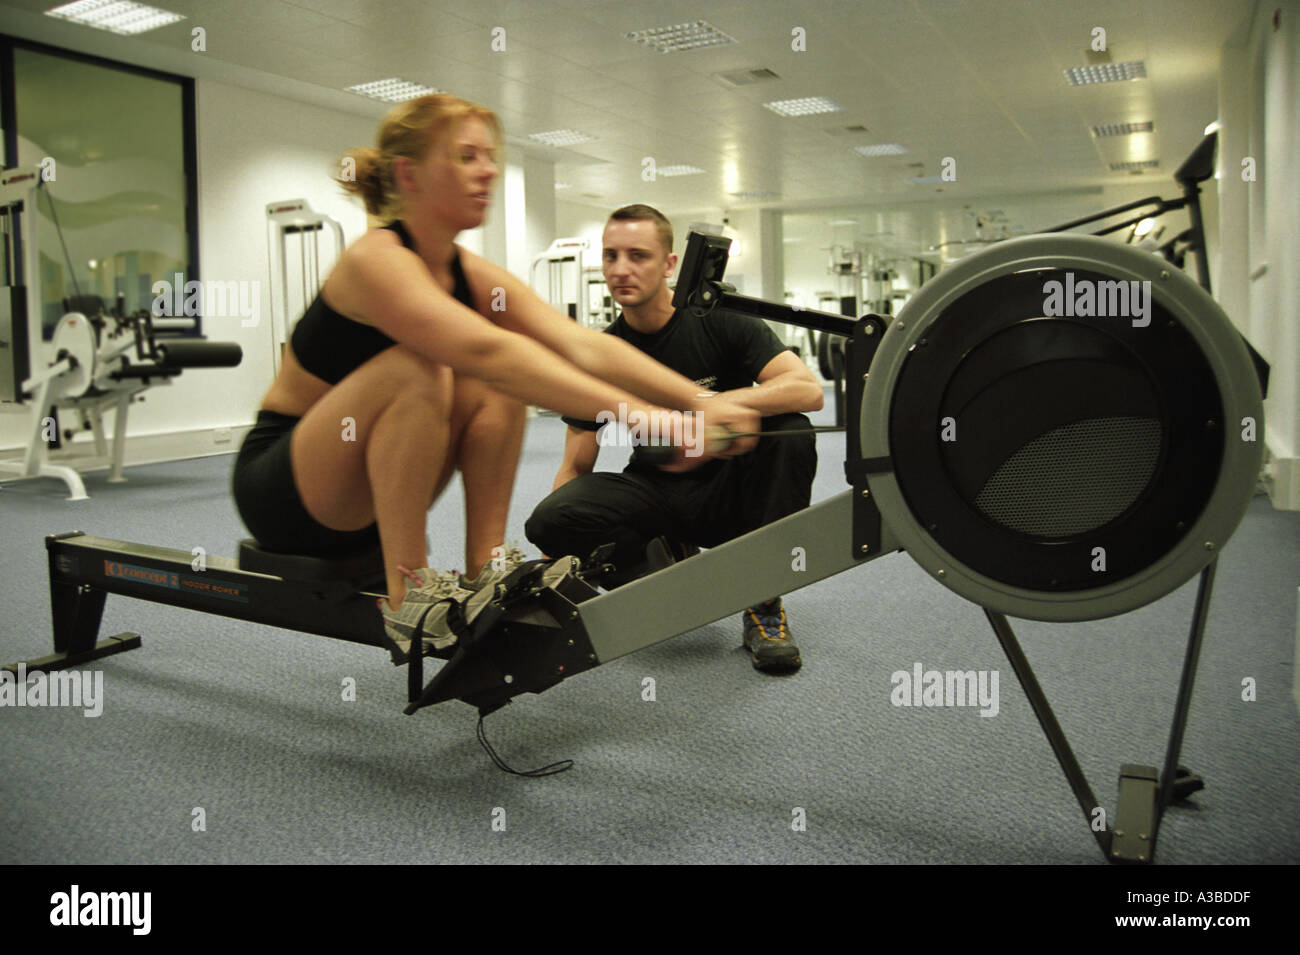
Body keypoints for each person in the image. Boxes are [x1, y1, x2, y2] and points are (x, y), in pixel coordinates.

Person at [231, 96, 758, 664]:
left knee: (489, 384)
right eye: (465, 156)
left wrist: (699, 399)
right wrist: (644, 415)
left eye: (489, 156)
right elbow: (489, 349)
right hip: (285, 489)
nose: (488, 169)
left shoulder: (466, 270)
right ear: (408, 174)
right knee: (425, 367)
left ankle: (486, 569)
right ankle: (409, 594)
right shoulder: (374, 261)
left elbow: (578, 343)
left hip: (359, 492)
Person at [525, 205, 822, 672]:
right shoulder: (603, 353)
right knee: (551, 517)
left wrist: (721, 412)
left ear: (669, 264)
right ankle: (669, 573)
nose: (620, 269)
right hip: (658, 487)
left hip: (733, 491)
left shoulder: (720, 320)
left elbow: (806, 389)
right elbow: (576, 465)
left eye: (638, 256)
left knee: (789, 432)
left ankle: (763, 602)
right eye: (610, 256)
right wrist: (552, 555)